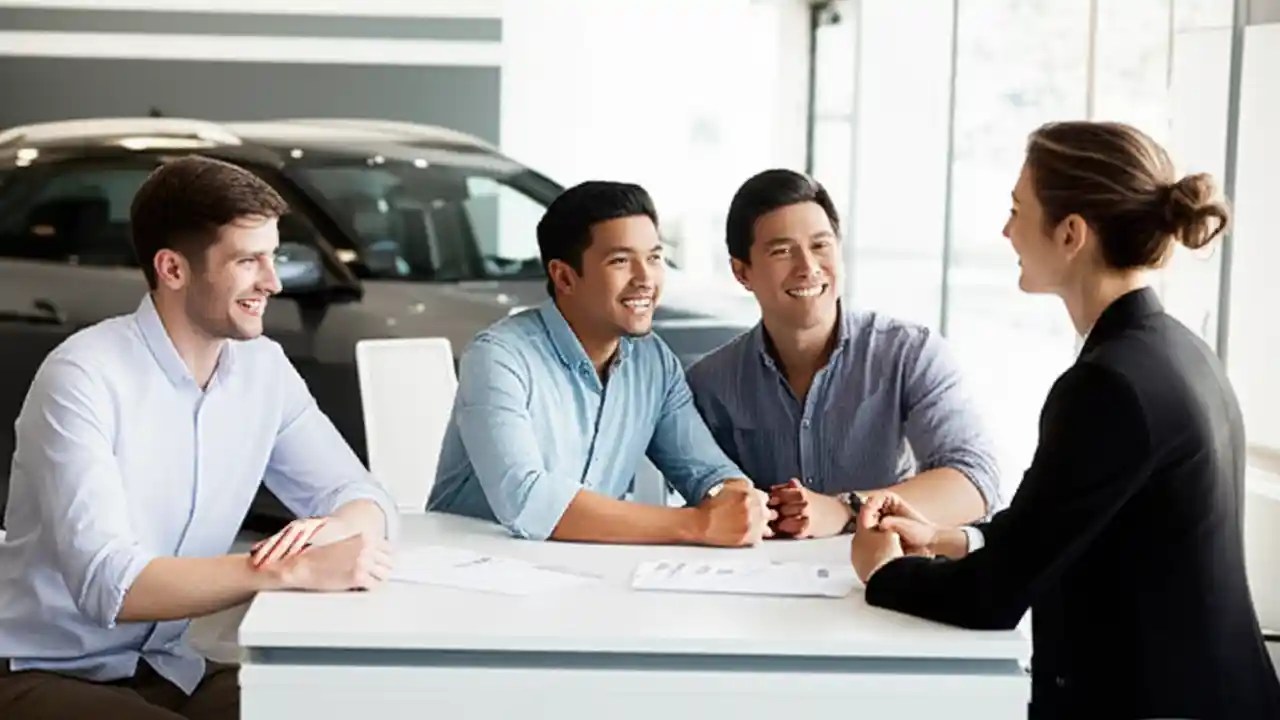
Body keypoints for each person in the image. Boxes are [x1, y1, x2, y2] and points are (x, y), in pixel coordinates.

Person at [850, 121, 1280, 719]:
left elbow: (993, 596)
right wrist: (949, 538)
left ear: (1071, 233)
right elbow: (1059, 526)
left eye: (1016, 210)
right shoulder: (1175, 351)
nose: (1006, 231)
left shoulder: (1109, 384)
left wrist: (885, 572)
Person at [0, 156, 398, 720]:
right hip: (42, 673)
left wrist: (335, 530)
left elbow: (364, 495)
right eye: (248, 260)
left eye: (274, 255)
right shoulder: (82, 375)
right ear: (172, 269)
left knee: (330, 706)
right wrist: (287, 568)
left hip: (168, 667)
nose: (274, 281)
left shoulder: (264, 369)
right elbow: (110, 586)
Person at [428, 180, 773, 546]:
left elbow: (707, 472)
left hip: (585, 575)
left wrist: (737, 499)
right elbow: (527, 500)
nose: (645, 279)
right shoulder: (499, 356)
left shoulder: (653, 362)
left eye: (654, 257)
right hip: (471, 575)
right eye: (620, 261)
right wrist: (698, 524)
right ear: (564, 276)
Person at [686, 169, 1000, 539]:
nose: (808, 268)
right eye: (782, 251)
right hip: (763, 578)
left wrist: (845, 508)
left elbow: (975, 480)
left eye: (821, 245)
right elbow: (705, 502)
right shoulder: (710, 383)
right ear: (742, 272)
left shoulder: (909, 353)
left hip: (886, 575)